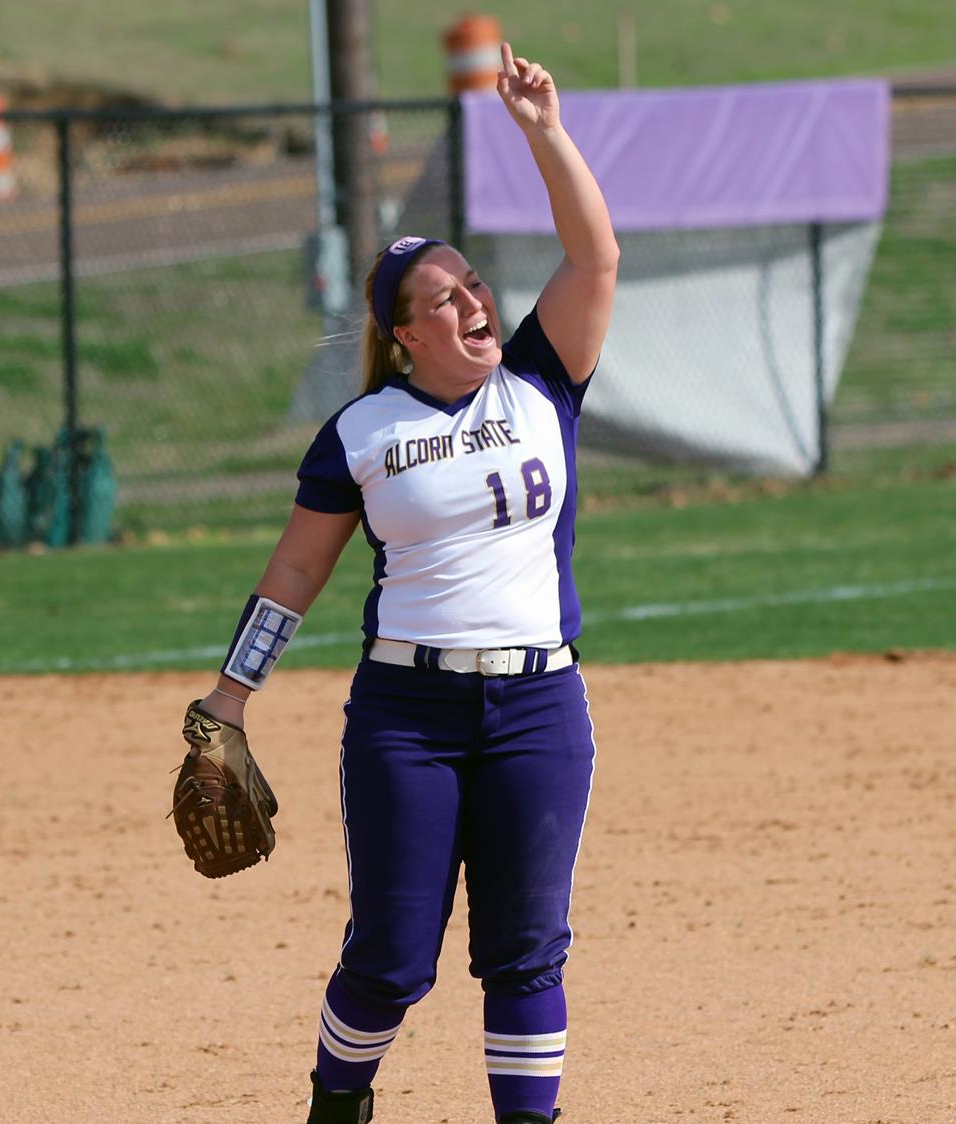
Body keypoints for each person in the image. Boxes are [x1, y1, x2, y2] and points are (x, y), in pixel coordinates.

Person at [191, 42, 617, 1124]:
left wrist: (542, 131)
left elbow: (595, 256)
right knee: (389, 953)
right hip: (407, 714)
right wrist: (231, 696)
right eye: (444, 296)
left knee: (525, 949)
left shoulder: (539, 384)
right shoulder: (363, 432)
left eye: (474, 282)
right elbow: (294, 570)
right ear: (402, 332)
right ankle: (339, 1100)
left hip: (537, 702)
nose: (473, 301)